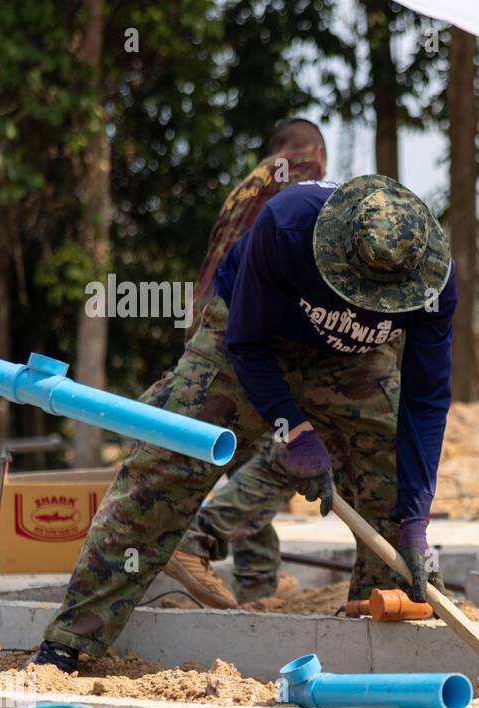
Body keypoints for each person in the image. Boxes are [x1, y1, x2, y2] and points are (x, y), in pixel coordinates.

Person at [30, 173, 454, 673]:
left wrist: (417, 517)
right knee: (167, 462)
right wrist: (293, 428)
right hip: (249, 340)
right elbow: (247, 345)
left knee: (393, 477)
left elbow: (425, 401)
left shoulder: (433, 280)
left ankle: (384, 638)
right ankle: (72, 641)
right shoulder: (289, 225)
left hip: (352, 361)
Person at [163, 118, 328, 607]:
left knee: (239, 456)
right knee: (285, 453)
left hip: (209, 331)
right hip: (248, 331)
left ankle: (257, 581)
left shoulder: (247, 187)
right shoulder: (304, 178)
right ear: (315, 150)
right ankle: (197, 543)